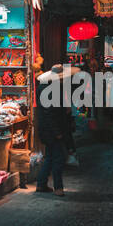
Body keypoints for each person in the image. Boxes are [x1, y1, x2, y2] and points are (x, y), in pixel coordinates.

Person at [33, 65, 74, 196]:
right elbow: (50, 113)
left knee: (50, 157)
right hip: (52, 130)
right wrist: (58, 132)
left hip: (46, 129)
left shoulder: (43, 87)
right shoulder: (52, 90)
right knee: (58, 158)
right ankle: (58, 187)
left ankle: (41, 184)